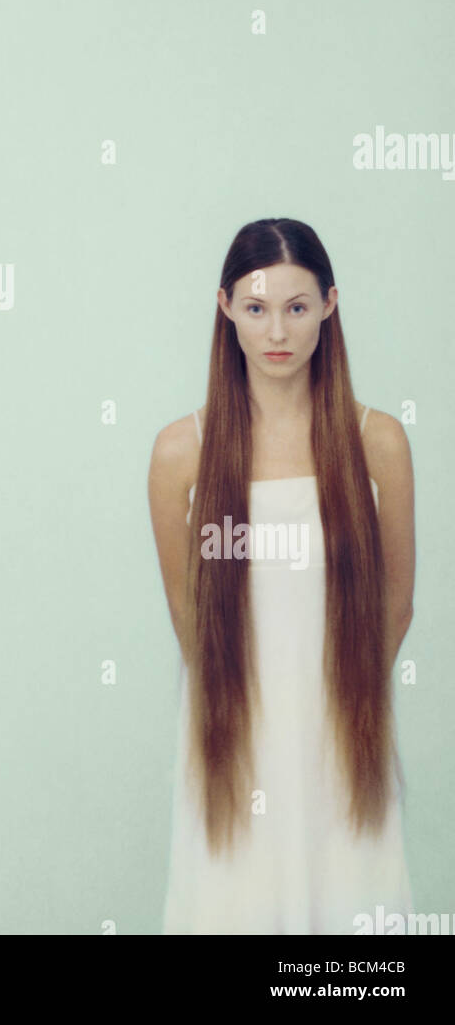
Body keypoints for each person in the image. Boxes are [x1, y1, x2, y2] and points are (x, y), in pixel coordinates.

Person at [147, 217, 414, 934]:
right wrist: (253, 704)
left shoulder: (377, 441)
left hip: (344, 738)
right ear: (225, 306)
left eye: (297, 308)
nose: (278, 331)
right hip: (231, 740)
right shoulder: (182, 453)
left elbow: (398, 604)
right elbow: (188, 618)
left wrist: (337, 704)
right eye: (257, 307)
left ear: (329, 305)